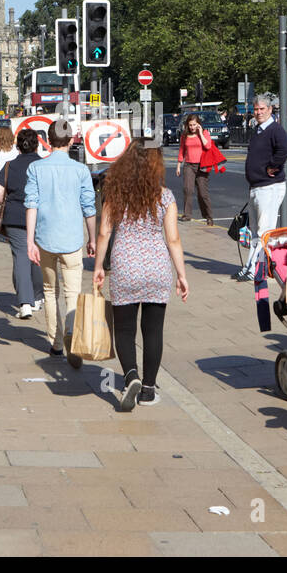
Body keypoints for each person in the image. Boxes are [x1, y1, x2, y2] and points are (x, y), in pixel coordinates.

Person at [94, 141, 189, 411]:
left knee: (123, 329)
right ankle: (148, 390)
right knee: (153, 330)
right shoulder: (165, 196)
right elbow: (173, 239)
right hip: (156, 267)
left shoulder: (115, 193)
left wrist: (99, 266)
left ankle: (130, 376)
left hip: (125, 265)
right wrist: (181, 275)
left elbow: (104, 233)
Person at [25, 119, 96, 366]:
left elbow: (31, 204)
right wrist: (93, 238)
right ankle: (71, 334)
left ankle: (56, 344)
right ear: (71, 140)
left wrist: (30, 240)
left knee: (49, 291)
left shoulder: (36, 168)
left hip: (45, 239)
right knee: (73, 292)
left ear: (49, 140)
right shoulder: (81, 170)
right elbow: (89, 207)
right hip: (73, 239)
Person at [237, 94, 287, 281]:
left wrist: (273, 166)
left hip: (269, 187)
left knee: (264, 231)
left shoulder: (275, 130)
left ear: (269, 109)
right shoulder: (258, 130)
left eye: (262, 109)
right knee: (254, 231)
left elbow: (285, 149)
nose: (258, 112)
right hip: (256, 186)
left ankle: (256, 270)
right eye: (256, 109)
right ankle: (250, 265)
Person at [0, 128, 44, 318]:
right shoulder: (43, 165)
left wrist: (4, 202)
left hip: (15, 216)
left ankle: (25, 303)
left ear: (18, 146)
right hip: (39, 217)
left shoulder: (9, 165)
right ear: (37, 145)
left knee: (21, 256)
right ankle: (38, 297)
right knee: (37, 256)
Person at [175, 113, 215, 225]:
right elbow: (182, 150)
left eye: (194, 125)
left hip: (202, 166)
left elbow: (207, 146)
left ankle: (208, 216)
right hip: (188, 165)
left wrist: (200, 133)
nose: (192, 127)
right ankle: (187, 215)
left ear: (198, 124)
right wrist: (178, 165)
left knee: (203, 193)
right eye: (190, 125)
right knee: (188, 189)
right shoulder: (184, 135)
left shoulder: (205, 133)